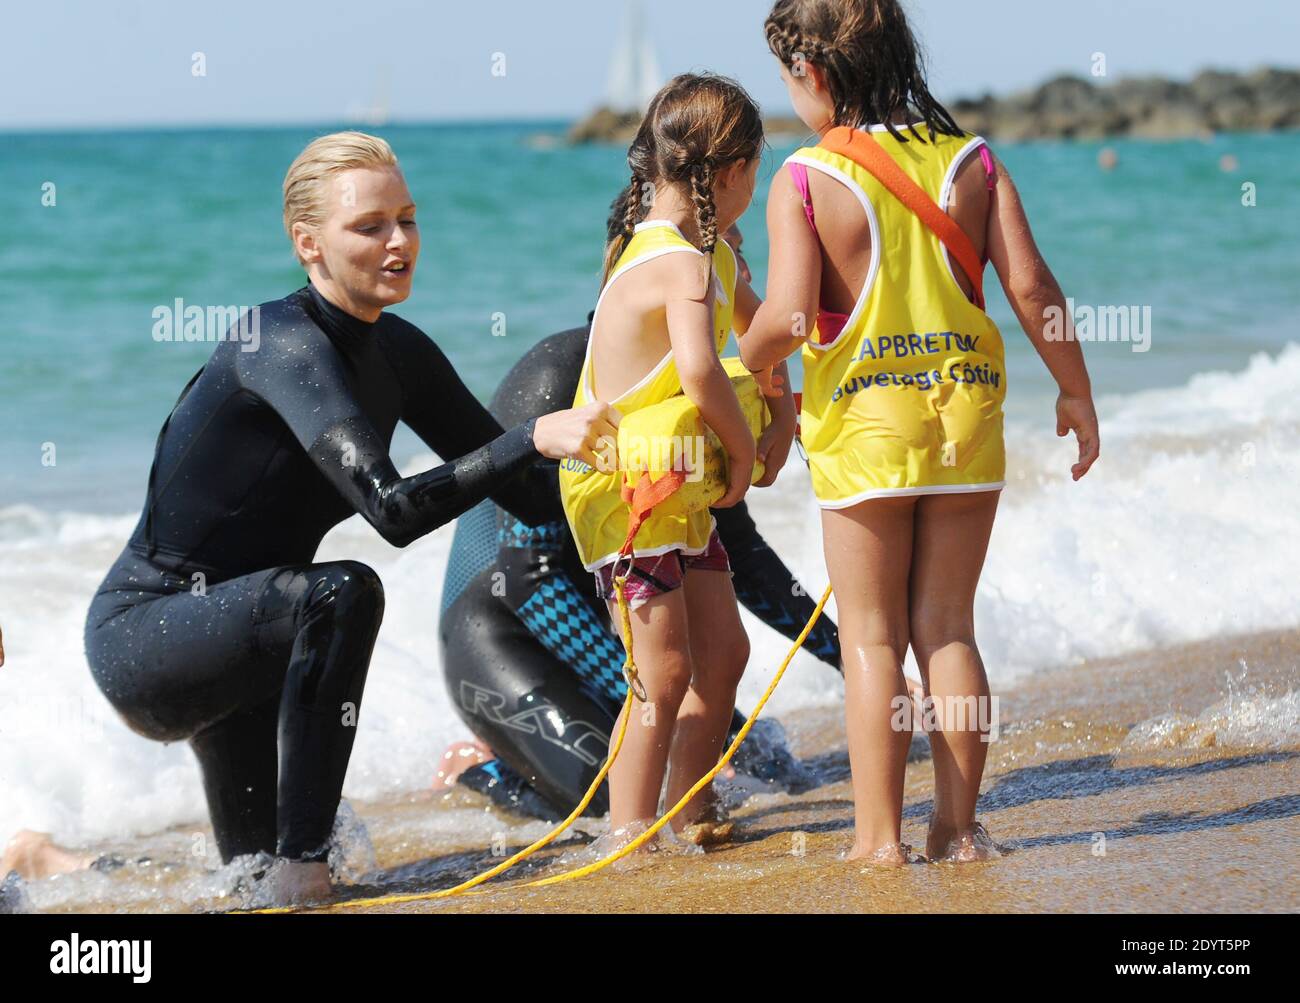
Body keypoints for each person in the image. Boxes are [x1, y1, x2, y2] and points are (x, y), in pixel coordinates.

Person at [82, 131, 617, 905]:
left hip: (260, 649)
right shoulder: (281, 343)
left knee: (246, 885)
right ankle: (309, 862)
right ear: (308, 242)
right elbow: (394, 511)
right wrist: (532, 435)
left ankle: (60, 866)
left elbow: (526, 495)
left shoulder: (399, 351)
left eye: (408, 218)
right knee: (344, 593)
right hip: (152, 635)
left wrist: (634, 456)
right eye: (370, 226)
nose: (399, 242)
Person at [741, 0, 1099, 864]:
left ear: (814, 73)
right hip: (965, 417)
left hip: (867, 430)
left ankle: (876, 839)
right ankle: (957, 825)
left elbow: (790, 318)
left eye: (789, 78)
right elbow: (1034, 289)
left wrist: (731, 364)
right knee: (948, 626)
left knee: (870, 635)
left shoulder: (805, 178)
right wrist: (1077, 392)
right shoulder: (973, 161)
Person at [560, 73, 798, 848]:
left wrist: (785, 409)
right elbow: (699, 370)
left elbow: (765, 333)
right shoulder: (674, 261)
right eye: (754, 176)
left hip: (670, 486)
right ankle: (625, 837)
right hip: (620, 490)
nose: (752, 195)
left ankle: (685, 809)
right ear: (728, 174)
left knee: (722, 652)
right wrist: (739, 451)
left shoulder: (710, 256)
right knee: (659, 674)